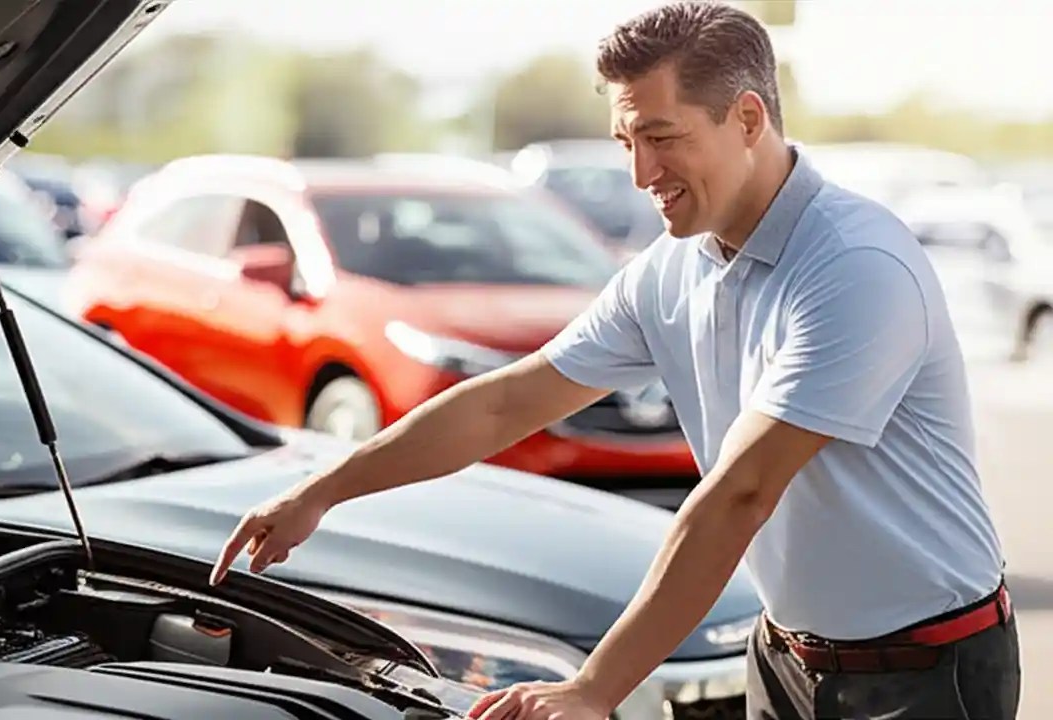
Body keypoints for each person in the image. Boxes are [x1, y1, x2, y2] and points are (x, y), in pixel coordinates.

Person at [208, 2, 1021, 718]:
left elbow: (739, 493)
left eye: (663, 137)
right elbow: (504, 404)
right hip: (785, 659)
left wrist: (596, 688)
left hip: (927, 672)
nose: (641, 174)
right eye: (627, 140)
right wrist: (324, 490)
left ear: (747, 119)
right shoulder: (674, 268)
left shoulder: (854, 266)